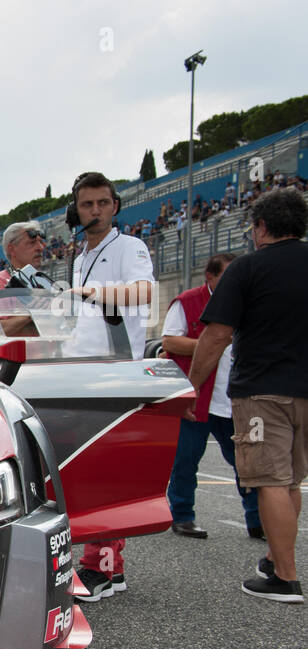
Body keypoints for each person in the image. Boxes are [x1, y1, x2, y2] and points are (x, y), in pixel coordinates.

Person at [189, 187, 308, 604]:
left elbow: (217, 334)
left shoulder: (247, 269)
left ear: (260, 227)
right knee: (291, 478)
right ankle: (277, 559)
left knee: (269, 480)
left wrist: (193, 387)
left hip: (262, 390)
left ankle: (285, 577)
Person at [66, 172, 155, 603]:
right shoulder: (80, 257)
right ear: (75, 210)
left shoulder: (129, 247)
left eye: (103, 203)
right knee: (90, 471)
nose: (96, 211)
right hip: (82, 371)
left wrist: (93, 292)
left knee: (103, 474)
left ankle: (98, 565)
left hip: (115, 372)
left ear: (115, 206)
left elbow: (143, 292)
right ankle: (109, 565)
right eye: (87, 204)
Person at [162, 253, 261, 539]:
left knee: (247, 463)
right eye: (227, 276)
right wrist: (211, 344)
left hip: (236, 399)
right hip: (199, 396)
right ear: (210, 276)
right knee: (186, 460)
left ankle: (257, 520)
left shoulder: (249, 300)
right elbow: (169, 341)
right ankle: (182, 516)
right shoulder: (187, 301)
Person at [0, 221, 54, 292]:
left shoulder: (44, 282)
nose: (40, 248)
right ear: (11, 249)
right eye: (32, 243)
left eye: (41, 242)